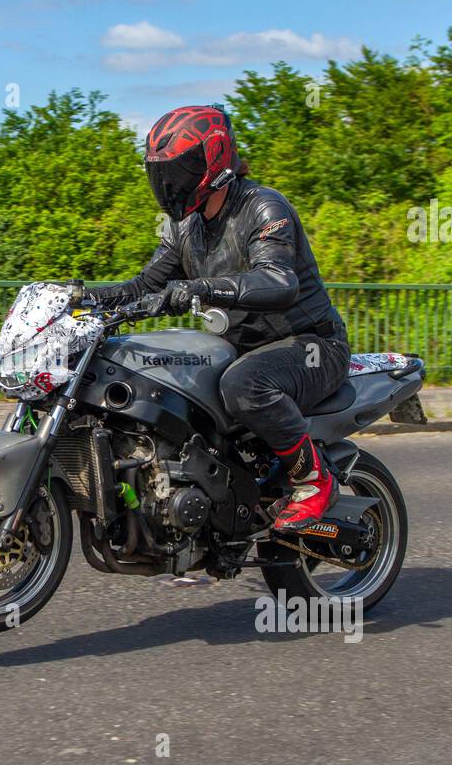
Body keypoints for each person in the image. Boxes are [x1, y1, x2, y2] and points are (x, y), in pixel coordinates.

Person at [86, 105, 350, 532]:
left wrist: (201, 288)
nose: (170, 183)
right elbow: (143, 286)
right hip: (242, 348)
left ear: (215, 161)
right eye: (162, 172)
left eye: (181, 169)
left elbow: (279, 281)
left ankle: (313, 479)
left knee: (243, 383)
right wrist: (77, 296)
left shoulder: (264, 207)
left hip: (310, 345)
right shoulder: (185, 227)